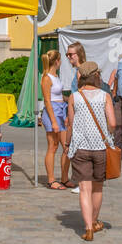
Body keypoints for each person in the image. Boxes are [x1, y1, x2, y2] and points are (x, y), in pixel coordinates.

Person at [64, 61, 116, 241]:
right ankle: (94, 221)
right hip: (100, 147)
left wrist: (67, 143)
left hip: (80, 147)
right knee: (97, 188)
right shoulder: (104, 96)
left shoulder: (74, 97)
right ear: (96, 76)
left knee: (84, 189)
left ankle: (88, 228)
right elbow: (113, 124)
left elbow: (70, 124)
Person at [40, 50, 72, 189]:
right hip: (52, 111)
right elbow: (47, 100)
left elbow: (58, 96)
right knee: (52, 147)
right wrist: (53, 121)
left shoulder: (55, 76)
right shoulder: (47, 77)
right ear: (57, 61)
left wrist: (70, 100)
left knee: (66, 147)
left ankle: (64, 178)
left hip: (61, 109)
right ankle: (51, 179)